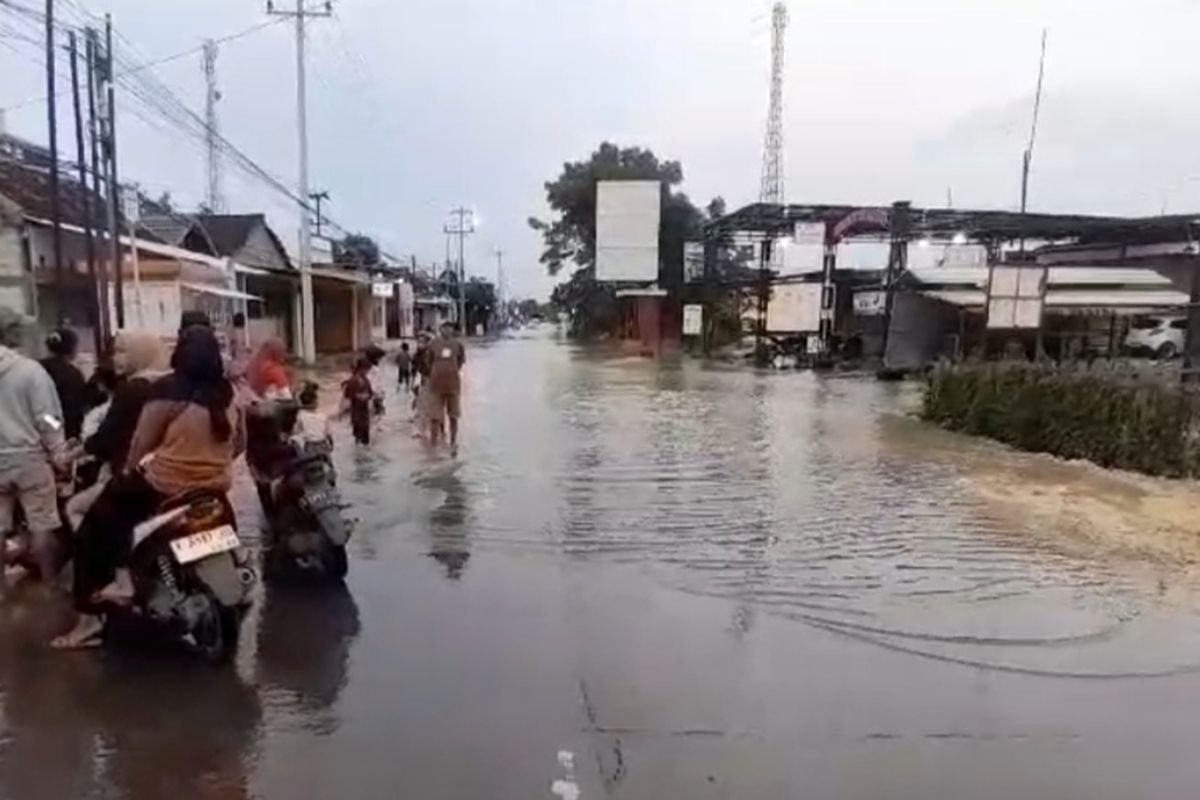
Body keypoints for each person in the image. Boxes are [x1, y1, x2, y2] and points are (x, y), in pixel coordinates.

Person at [52, 325, 246, 650]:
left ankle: (98, 610)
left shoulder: (167, 389)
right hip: (215, 486)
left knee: (95, 525)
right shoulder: (229, 394)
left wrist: (128, 471)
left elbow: (143, 442)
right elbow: (239, 445)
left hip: (164, 484)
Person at [67, 332, 167, 530]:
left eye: (122, 351)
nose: (116, 358)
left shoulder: (132, 388)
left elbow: (106, 438)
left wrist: (71, 454)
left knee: (75, 508)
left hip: (132, 476)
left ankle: (98, 557)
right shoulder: (166, 384)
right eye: (116, 352)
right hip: (161, 472)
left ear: (140, 354)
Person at [0, 309, 71, 589]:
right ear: (14, 334)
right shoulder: (30, 371)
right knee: (42, 523)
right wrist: (58, 452)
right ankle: (49, 585)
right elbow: (47, 417)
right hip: (30, 459)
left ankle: (2, 591)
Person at [40, 328, 88, 441]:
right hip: (64, 434)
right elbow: (75, 410)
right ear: (72, 349)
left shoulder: (35, 368)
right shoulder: (73, 374)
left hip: (34, 432)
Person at [426, 322, 466, 449]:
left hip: (453, 386)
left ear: (453, 330)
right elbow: (428, 361)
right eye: (444, 328)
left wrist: (452, 370)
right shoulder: (432, 344)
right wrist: (436, 371)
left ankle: (453, 442)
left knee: (454, 416)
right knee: (435, 417)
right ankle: (433, 444)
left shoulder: (458, 345)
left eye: (450, 328)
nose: (447, 331)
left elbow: (461, 362)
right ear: (440, 329)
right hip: (436, 386)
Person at [342, 357, 374, 446]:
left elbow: (370, 393)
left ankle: (360, 455)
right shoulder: (355, 380)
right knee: (362, 438)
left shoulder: (363, 379)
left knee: (360, 437)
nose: (368, 372)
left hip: (361, 412)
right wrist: (361, 396)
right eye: (367, 370)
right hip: (359, 412)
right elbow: (348, 395)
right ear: (363, 368)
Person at [293, 382, 331, 447]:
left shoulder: (301, 414)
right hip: (322, 444)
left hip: (309, 445)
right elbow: (328, 433)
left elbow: (296, 431)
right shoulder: (323, 415)